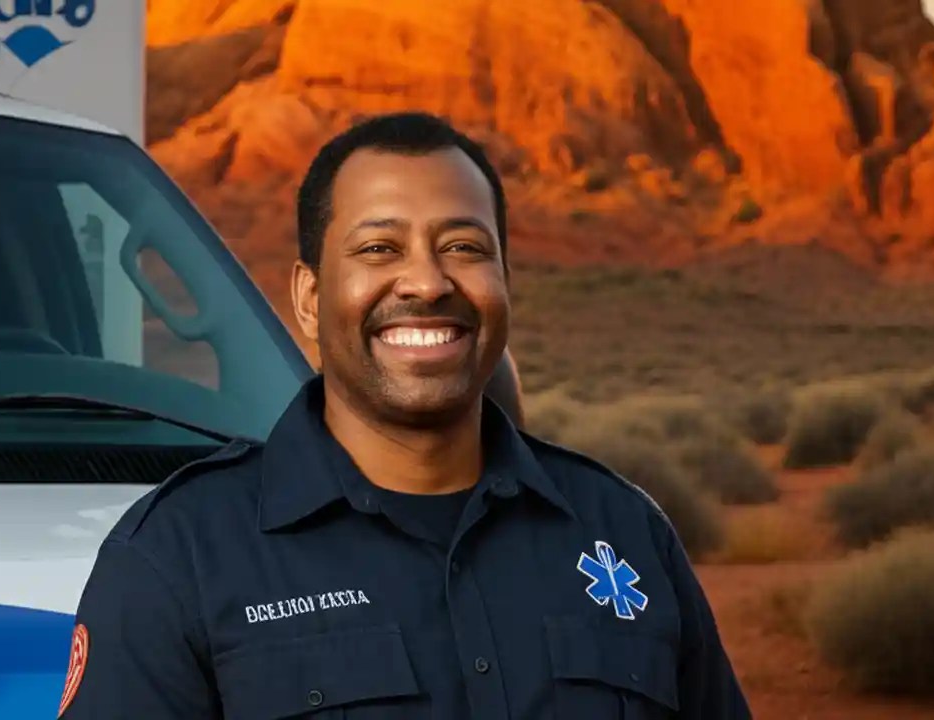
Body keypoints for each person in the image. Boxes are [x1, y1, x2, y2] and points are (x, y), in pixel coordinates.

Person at [58, 111, 752, 719]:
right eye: (379, 248)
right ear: (308, 298)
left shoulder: (626, 535)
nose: (426, 281)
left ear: (505, 283)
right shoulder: (178, 558)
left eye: (464, 247)